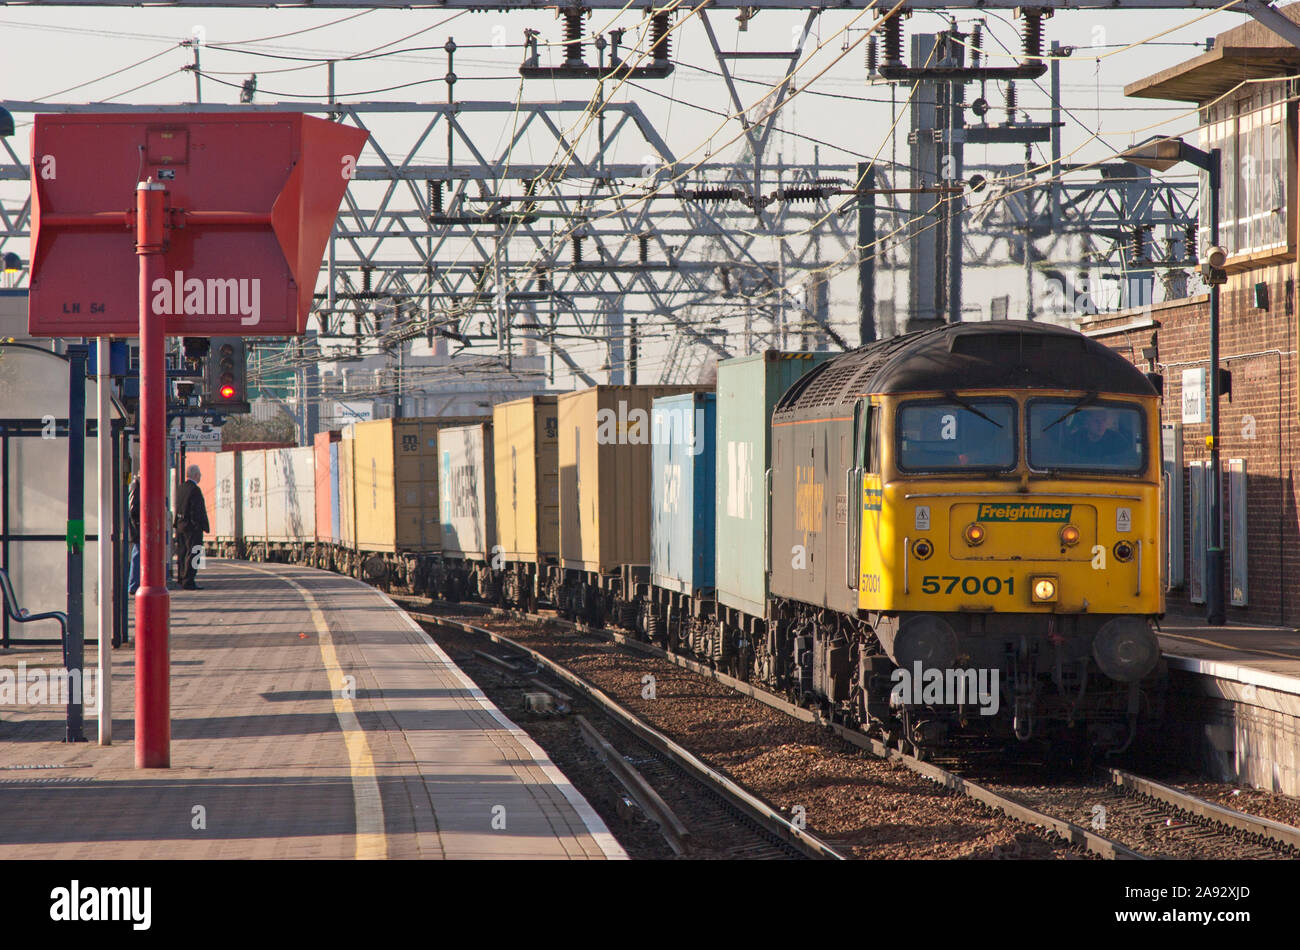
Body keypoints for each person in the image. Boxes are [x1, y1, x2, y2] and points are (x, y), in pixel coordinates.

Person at [174, 465, 210, 591]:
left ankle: (181, 577)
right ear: (195, 475)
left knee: (182, 553)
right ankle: (189, 580)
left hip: (180, 525)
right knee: (195, 552)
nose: (200, 476)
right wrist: (201, 525)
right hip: (192, 528)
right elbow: (197, 510)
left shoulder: (181, 488)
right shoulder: (195, 490)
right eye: (199, 474)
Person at [127, 474, 141, 596]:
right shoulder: (136, 486)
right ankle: (133, 585)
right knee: (137, 555)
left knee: (138, 554)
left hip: (137, 526)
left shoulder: (136, 485)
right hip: (138, 527)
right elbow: (133, 509)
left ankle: (134, 584)